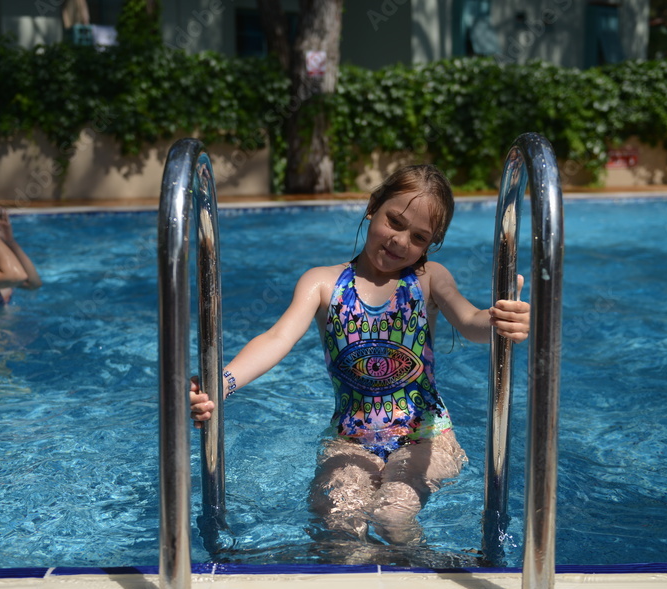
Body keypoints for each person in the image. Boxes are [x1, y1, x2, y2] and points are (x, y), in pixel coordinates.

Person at [189, 165, 530, 546]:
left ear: (431, 244)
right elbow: (277, 337)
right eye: (394, 222)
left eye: (418, 237)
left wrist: (500, 319)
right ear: (372, 207)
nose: (401, 241)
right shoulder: (322, 284)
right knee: (337, 522)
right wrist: (223, 382)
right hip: (351, 438)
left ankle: (419, 574)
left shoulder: (429, 278)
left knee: (392, 515)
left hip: (425, 435)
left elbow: (470, 322)